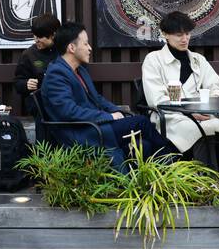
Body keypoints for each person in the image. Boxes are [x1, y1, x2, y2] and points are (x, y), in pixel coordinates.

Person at [40, 21, 175, 171]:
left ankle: (154, 178)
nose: (90, 48)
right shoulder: (56, 74)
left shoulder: (80, 70)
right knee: (142, 122)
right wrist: (109, 117)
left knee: (146, 143)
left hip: (95, 125)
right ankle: (173, 164)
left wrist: (119, 113)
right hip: (81, 131)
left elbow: (97, 99)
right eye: (85, 44)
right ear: (71, 48)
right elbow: (68, 112)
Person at [140, 11, 219, 164]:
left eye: (187, 33)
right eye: (178, 35)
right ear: (165, 34)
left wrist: (210, 104)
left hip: (203, 115)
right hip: (171, 119)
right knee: (201, 131)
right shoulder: (153, 60)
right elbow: (156, 99)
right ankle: (207, 182)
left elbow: (216, 87)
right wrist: (190, 113)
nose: (185, 39)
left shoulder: (198, 60)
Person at [13, 13, 59, 109]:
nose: (36, 40)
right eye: (34, 36)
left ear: (53, 35)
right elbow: (18, 82)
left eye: (40, 37)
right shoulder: (28, 54)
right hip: (41, 107)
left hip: (64, 102)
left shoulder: (66, 51)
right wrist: (26, 84)